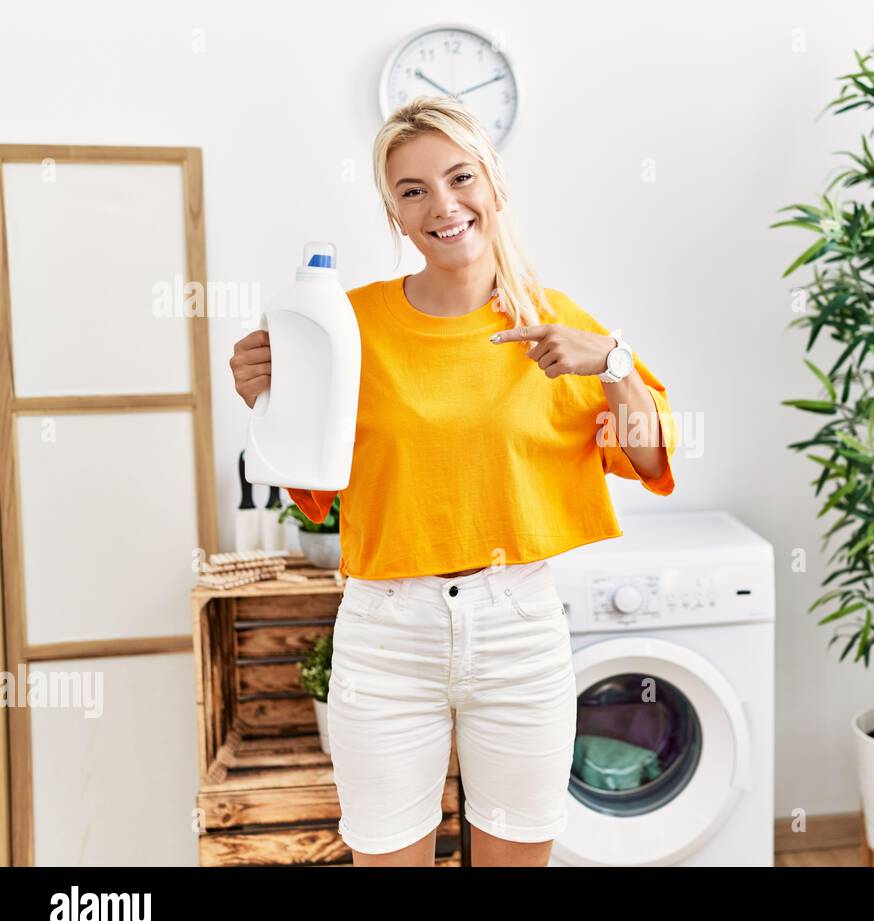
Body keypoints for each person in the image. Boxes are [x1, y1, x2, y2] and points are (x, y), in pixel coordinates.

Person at [228, 95, 677, 867]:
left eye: (460, 176)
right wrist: (268, 399)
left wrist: (614, 362)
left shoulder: (554, 325)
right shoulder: (351, 327)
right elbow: (312, 485)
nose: (443, 205)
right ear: (395, 215)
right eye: (412, 190)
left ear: (493, 183)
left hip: (519, 629)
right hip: (387, 631)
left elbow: (646, 453)